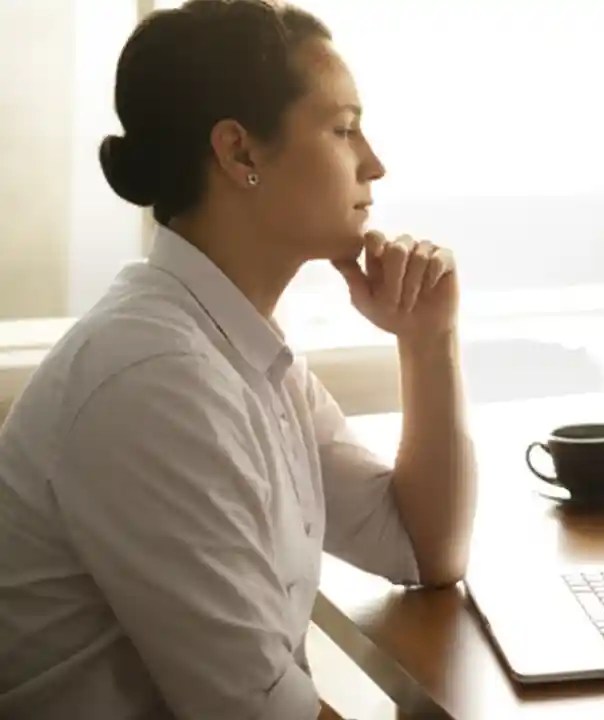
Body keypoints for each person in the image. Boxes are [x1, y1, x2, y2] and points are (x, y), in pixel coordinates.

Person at [0, 1, 477, 718]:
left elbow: (424, 547)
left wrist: (428, 336)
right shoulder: (155, 381)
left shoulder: (239, 350)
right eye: (343, 129)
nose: (373, 162)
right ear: (240, 152)